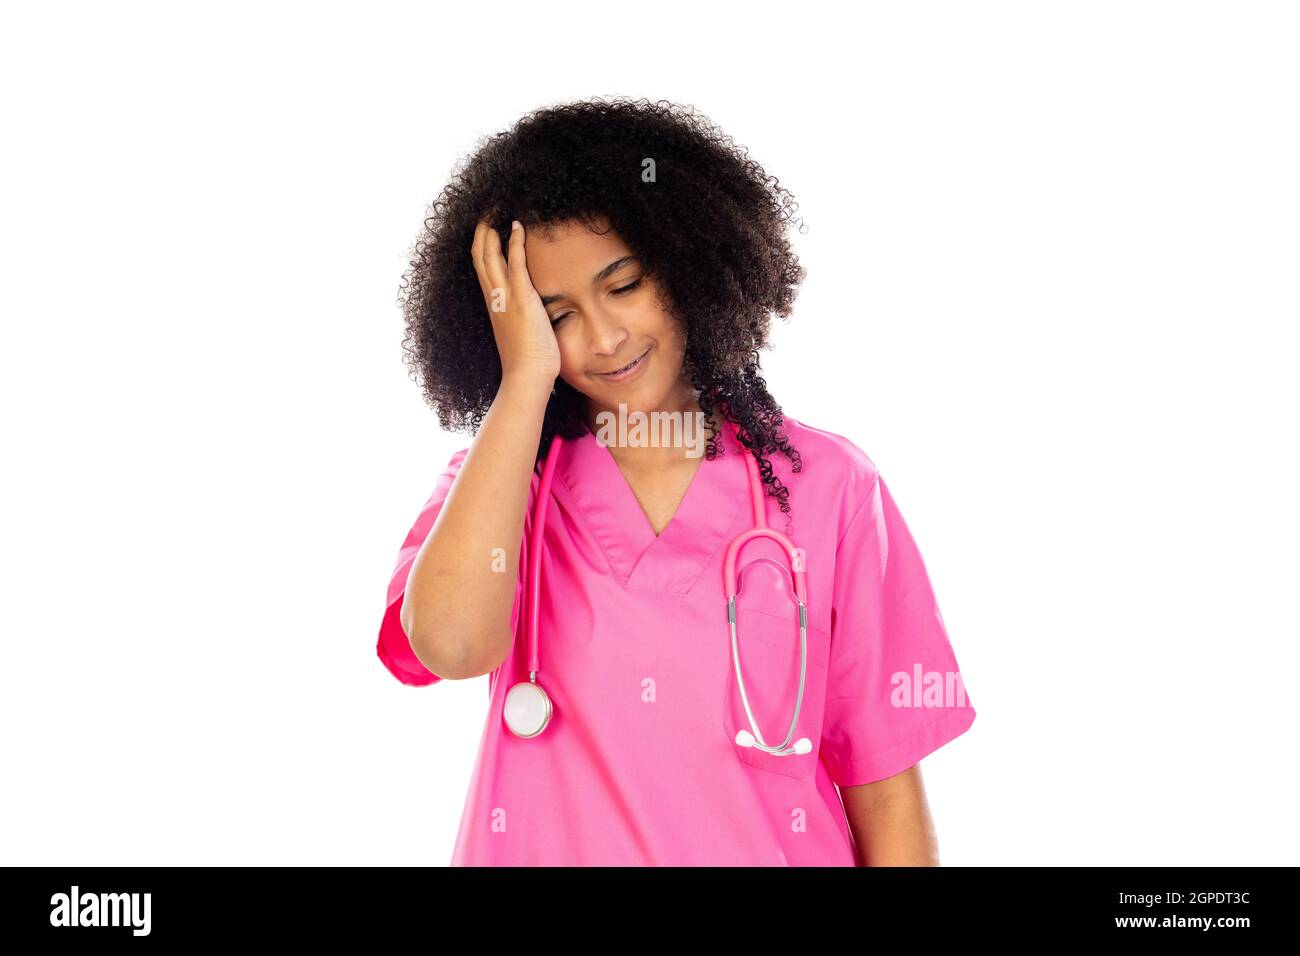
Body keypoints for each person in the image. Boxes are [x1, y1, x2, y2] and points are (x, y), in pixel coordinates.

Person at [376, 97, 975, 866]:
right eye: (555, 315)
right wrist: (525, 376)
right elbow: (454, 643)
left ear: (687, 256)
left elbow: (887, 793)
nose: (604, 337)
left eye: (623, 285)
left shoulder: (830, 488)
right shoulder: (499, 486)